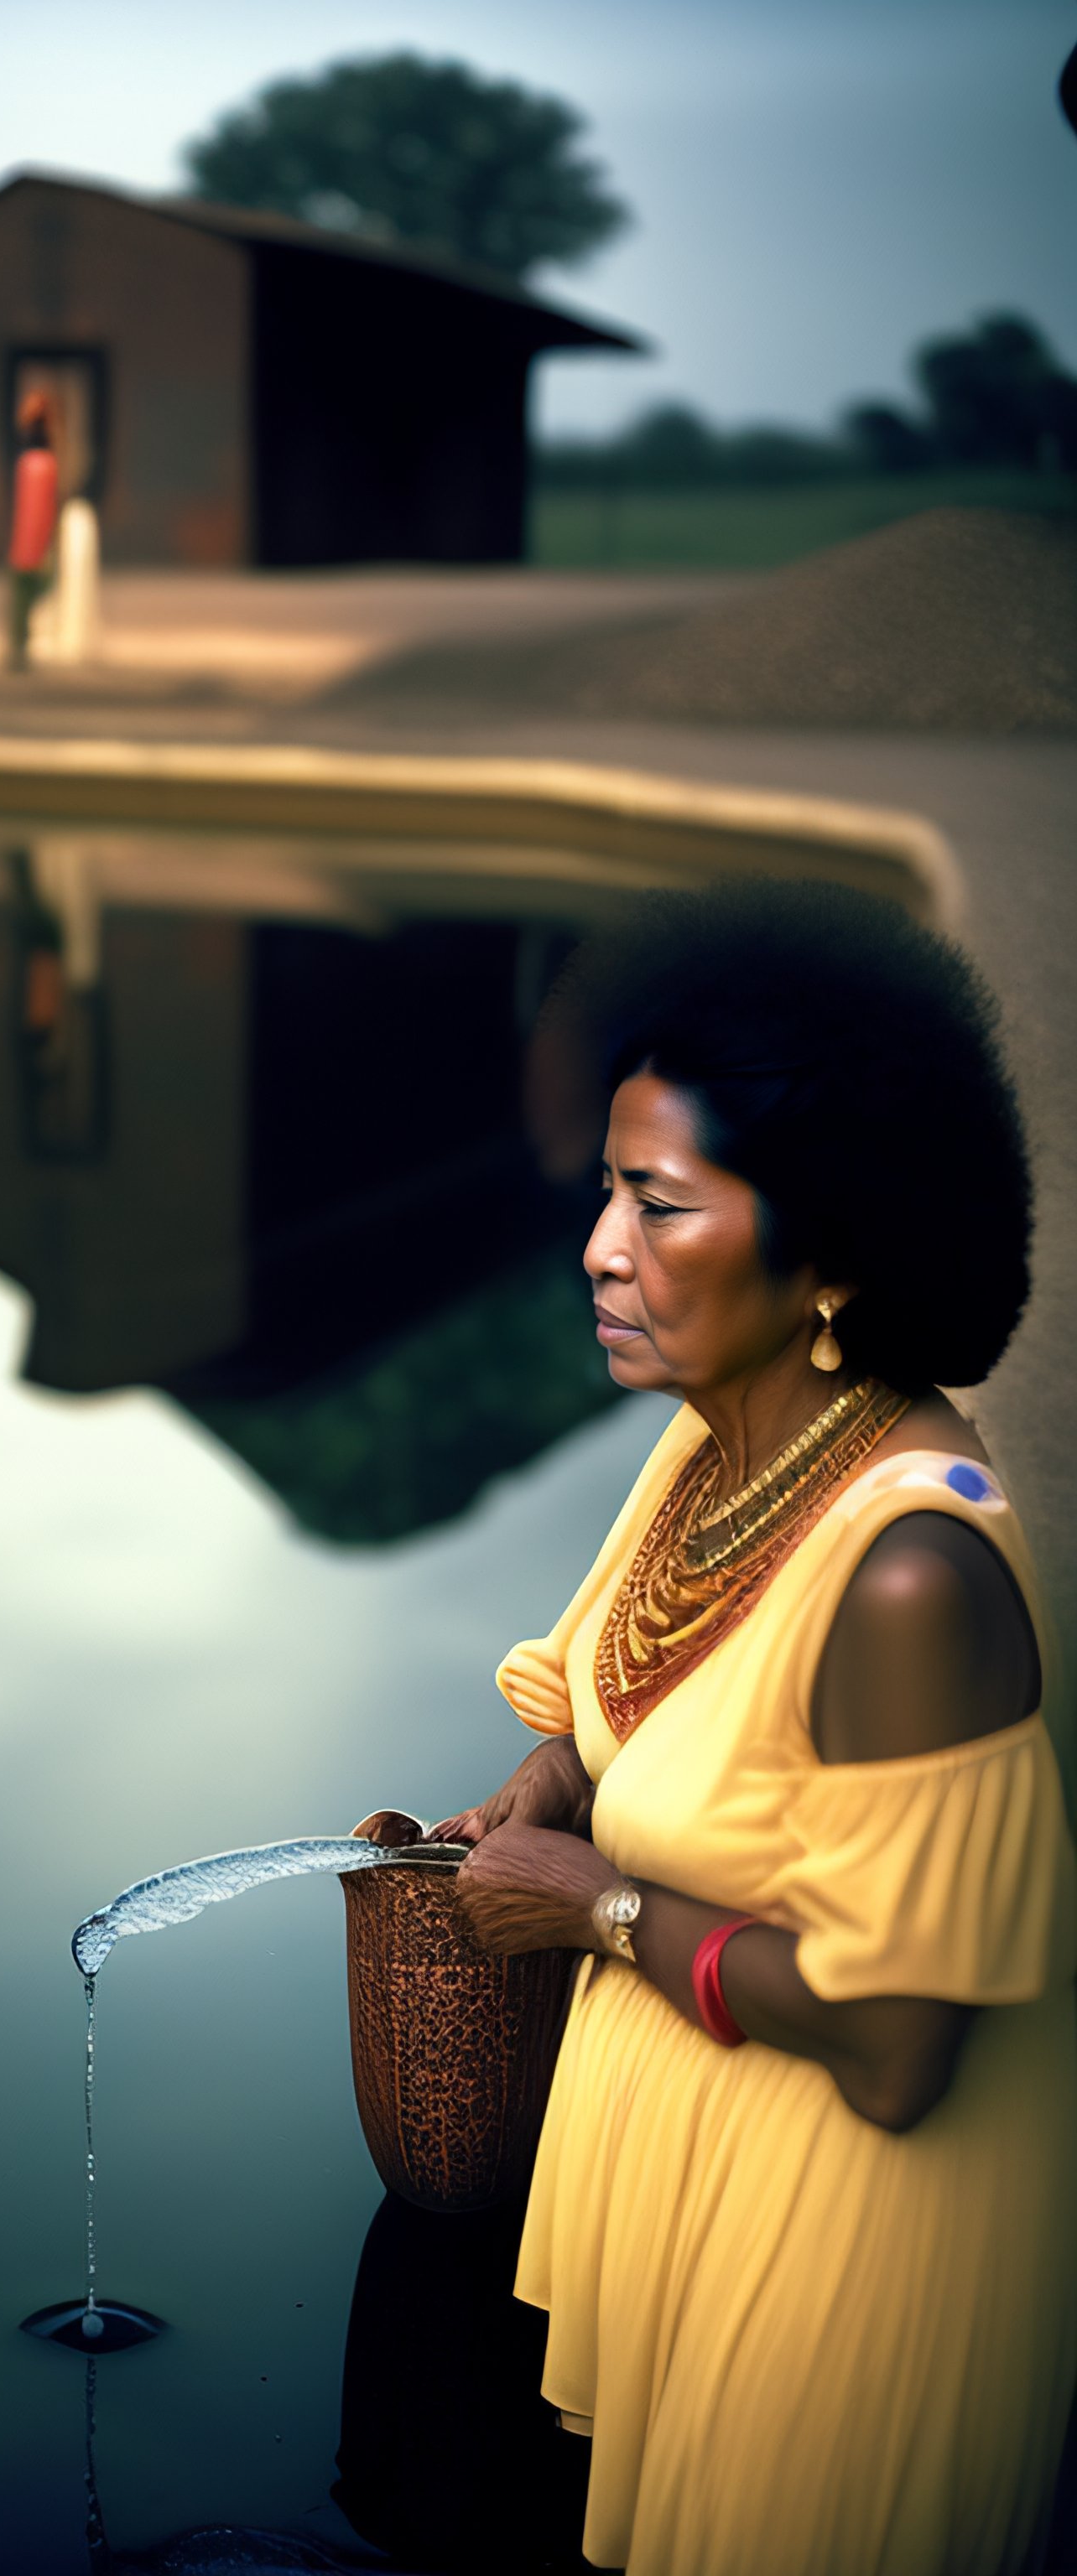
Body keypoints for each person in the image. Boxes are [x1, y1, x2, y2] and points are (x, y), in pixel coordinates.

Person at [431, 882, 1076, 2576]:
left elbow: (901, 2044)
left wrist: (587, 1907)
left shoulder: (911, 1582)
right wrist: (541, 1788)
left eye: (659, 1205)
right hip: (700, 2196)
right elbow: (609, 1695)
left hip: (845, 2263)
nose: (599, 1250)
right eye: (603, 1195)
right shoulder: (720, 1440)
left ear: (834, 1253)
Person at [3, 390, 59, 672]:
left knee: (24, 598)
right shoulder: (40, 463)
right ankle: (21, 645)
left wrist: (32, 547)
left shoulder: (35, 464)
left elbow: (35, 512)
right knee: (24, 599)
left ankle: (22, 645)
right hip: (30, 544)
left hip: (29, 546)